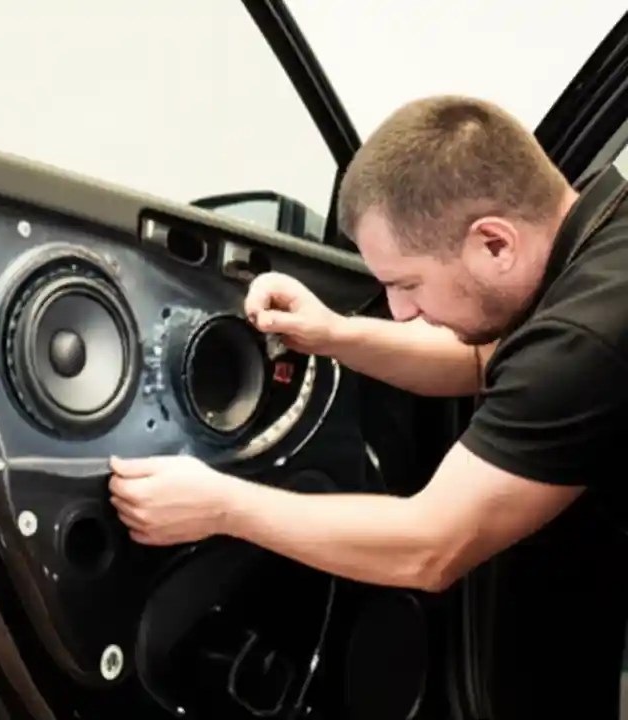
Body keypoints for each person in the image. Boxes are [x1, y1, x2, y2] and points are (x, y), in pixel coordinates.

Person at [108, 94, 628, 593]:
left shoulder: (583, 341)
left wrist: (220, 507)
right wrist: (333, 334)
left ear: (494, 244)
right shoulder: (597, 230)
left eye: (408, 284)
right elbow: (484, 358)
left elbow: (430, 548)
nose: (400, 311)